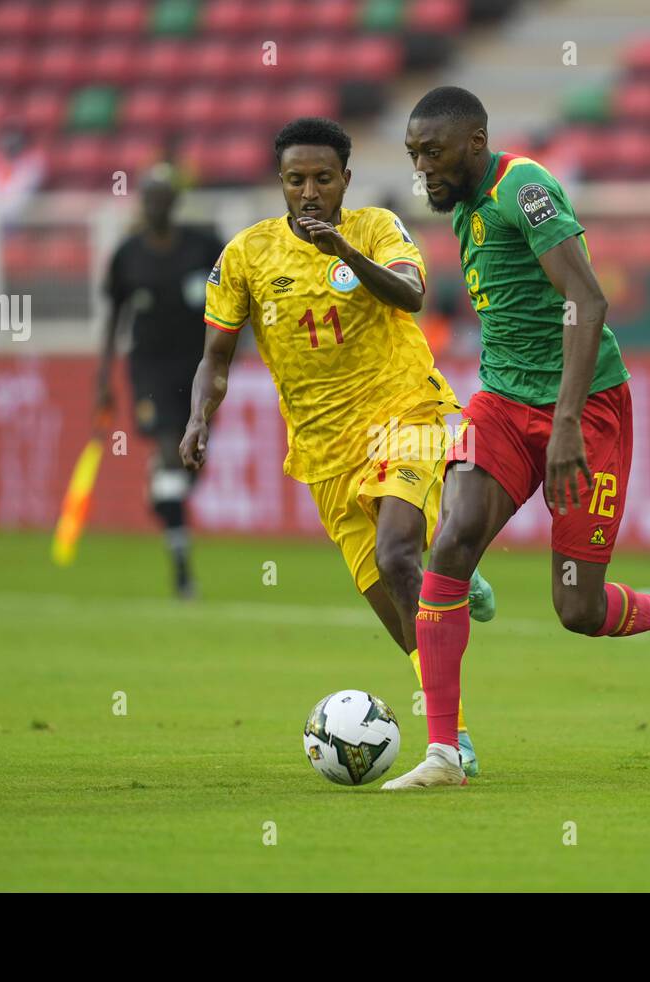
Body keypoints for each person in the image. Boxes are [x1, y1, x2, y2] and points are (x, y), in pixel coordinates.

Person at [385, 88, 650, 789]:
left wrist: (565, 422)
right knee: (451, 541)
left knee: (577, 609)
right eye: (414, 156)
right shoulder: (467, 209)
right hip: (501, 403)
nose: (423, 169)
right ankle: (445, 751)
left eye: (433, 153)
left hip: (585, 406)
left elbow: (587, 299)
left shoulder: (522, 187)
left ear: (475, 141)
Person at [178, 117, 494, 776]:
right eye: (297, 180)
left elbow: (412, 293)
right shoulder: (246, 256)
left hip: (407, 411)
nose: (310, 191)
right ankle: (450, 571)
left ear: (345, 179)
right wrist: (198, 418)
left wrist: (345, 255)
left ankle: (448, 741)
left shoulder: (376, 228)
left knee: (397, 550)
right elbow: (216, 357)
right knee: (395, 602)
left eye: (323, 178)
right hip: (324, 453)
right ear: (281, 183)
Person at [97, 164, 225, 597]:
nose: (155, 206)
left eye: (162, 198)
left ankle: (163, 489)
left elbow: (236, 294)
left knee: (188, 465)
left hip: (198, 371)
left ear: (175, 202)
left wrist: (233, 351)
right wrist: (103, 378)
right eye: (148, 198)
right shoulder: (128, 254)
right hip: (149, 369)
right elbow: (114, 317)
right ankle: (183, 569)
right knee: (173, 452)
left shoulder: (204, 246)